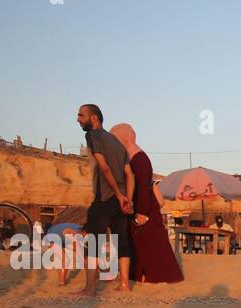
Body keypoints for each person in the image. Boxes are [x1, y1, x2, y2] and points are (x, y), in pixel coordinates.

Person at [109, 123, 183, 285]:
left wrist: (142, 212)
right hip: (137, 208)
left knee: (151, 246)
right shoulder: (131, 157)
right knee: (141, 245)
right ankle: (140, 276)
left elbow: (143, 186)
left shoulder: (140, 158)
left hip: (145, 211)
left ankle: (152, 277)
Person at [76, 103, 133, 295]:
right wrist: (127, 199)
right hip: (122, 199)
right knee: (121, 240)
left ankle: (90, 288)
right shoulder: (117, 143)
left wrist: (116, 194)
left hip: (106, 196)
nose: (78, 119)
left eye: (81, 115)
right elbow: (129, 174)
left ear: (94, 118)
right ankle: (124, 284)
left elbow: (104, 167)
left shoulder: (93, 135)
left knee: (93, 241)